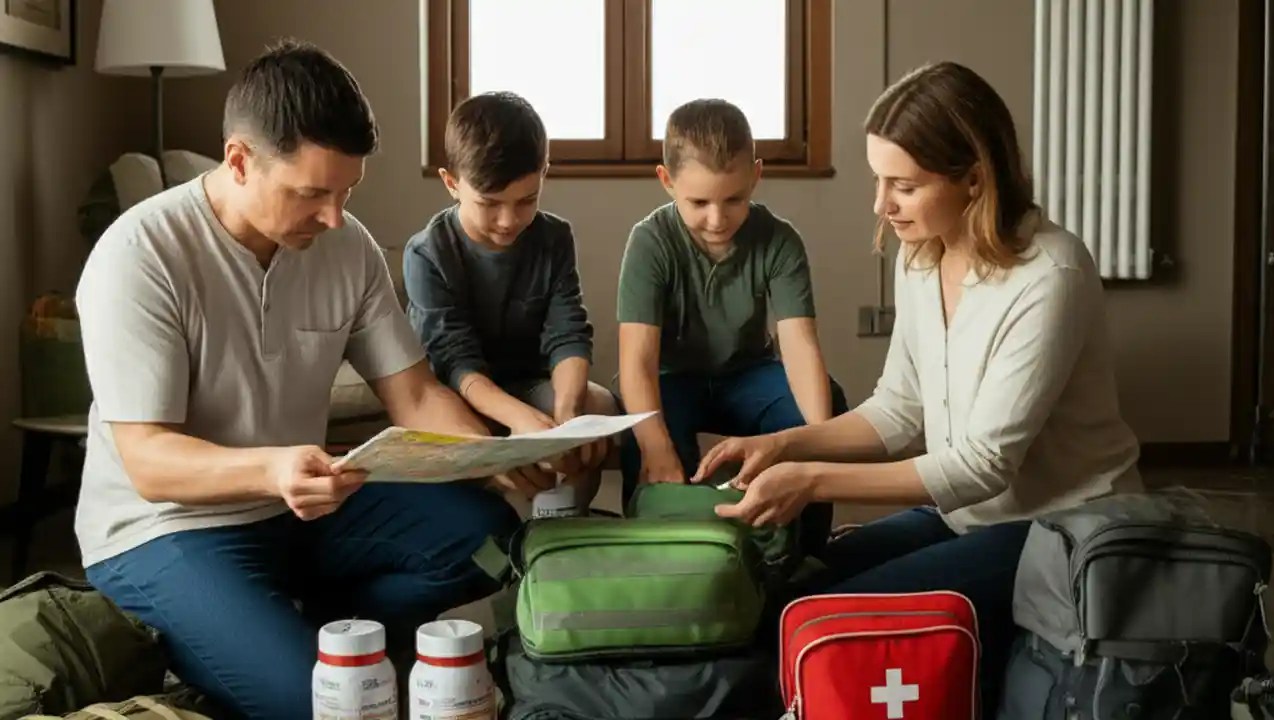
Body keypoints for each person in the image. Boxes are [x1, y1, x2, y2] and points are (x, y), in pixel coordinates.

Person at [74, 41, 547, 719]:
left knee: (493, 541)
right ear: (239, 161)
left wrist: (496, 459)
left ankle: (314, 634)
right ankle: (268, 653)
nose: (333, 216)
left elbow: (412, 394)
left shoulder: (346, 246)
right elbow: (148, 461)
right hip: (161, 530)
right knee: (325, 702)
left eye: (345, 190)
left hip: (303, 508)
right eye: (311, 193)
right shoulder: (141, 254)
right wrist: (273, 471)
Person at [697, 62, 1143, 714]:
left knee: (833, 617)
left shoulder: (1052, 275)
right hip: (965, 516)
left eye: (903, 185)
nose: (881, 204)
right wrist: (784, 446)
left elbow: (985, 464)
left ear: (973, 178)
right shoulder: (922, 251)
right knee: (787, 593)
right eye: (879, 180)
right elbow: (900, 409)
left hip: (1062, 532)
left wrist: (813, 481)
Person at [616, 98, 847, 546]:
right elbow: (637, 360)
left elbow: (799, 347)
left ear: (756, 176)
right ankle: (655, 550)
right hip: (671, 377)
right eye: (699, 202)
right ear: (666, 181)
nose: (717, 219)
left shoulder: (779, 240)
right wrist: (655, 445)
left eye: (734, 199)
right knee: (640, 428)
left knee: (824, 405)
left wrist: (816, 446)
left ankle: (807, 555)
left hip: (747, 374)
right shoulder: (649, 241)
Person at [404, 91, 618, 514]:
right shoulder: (427, 253)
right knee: (469, 454)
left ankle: (561, 518)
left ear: (544, 175)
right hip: (458, 396)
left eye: (526, 201)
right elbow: (454, 362)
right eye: (489, 204)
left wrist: (569, 413)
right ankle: (496, 514)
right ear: (452, 183)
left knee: (597, 406)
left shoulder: (554, 238)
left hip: (529, 382)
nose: (508, 221)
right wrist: (520, 420)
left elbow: (568, 332)